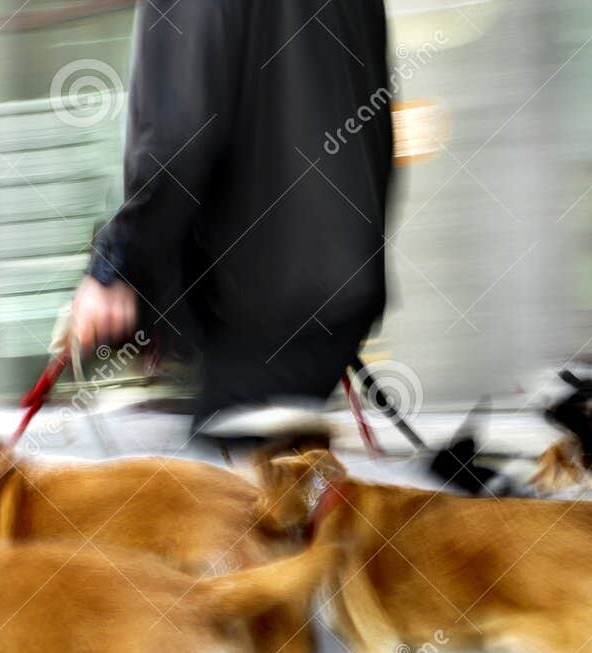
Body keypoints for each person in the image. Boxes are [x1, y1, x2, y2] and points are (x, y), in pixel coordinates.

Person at [69, 0, 393, 427]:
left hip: (251, 303)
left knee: (238, 483)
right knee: (286, 478)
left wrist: (116, 265)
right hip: (335, 297)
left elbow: (180, 136)